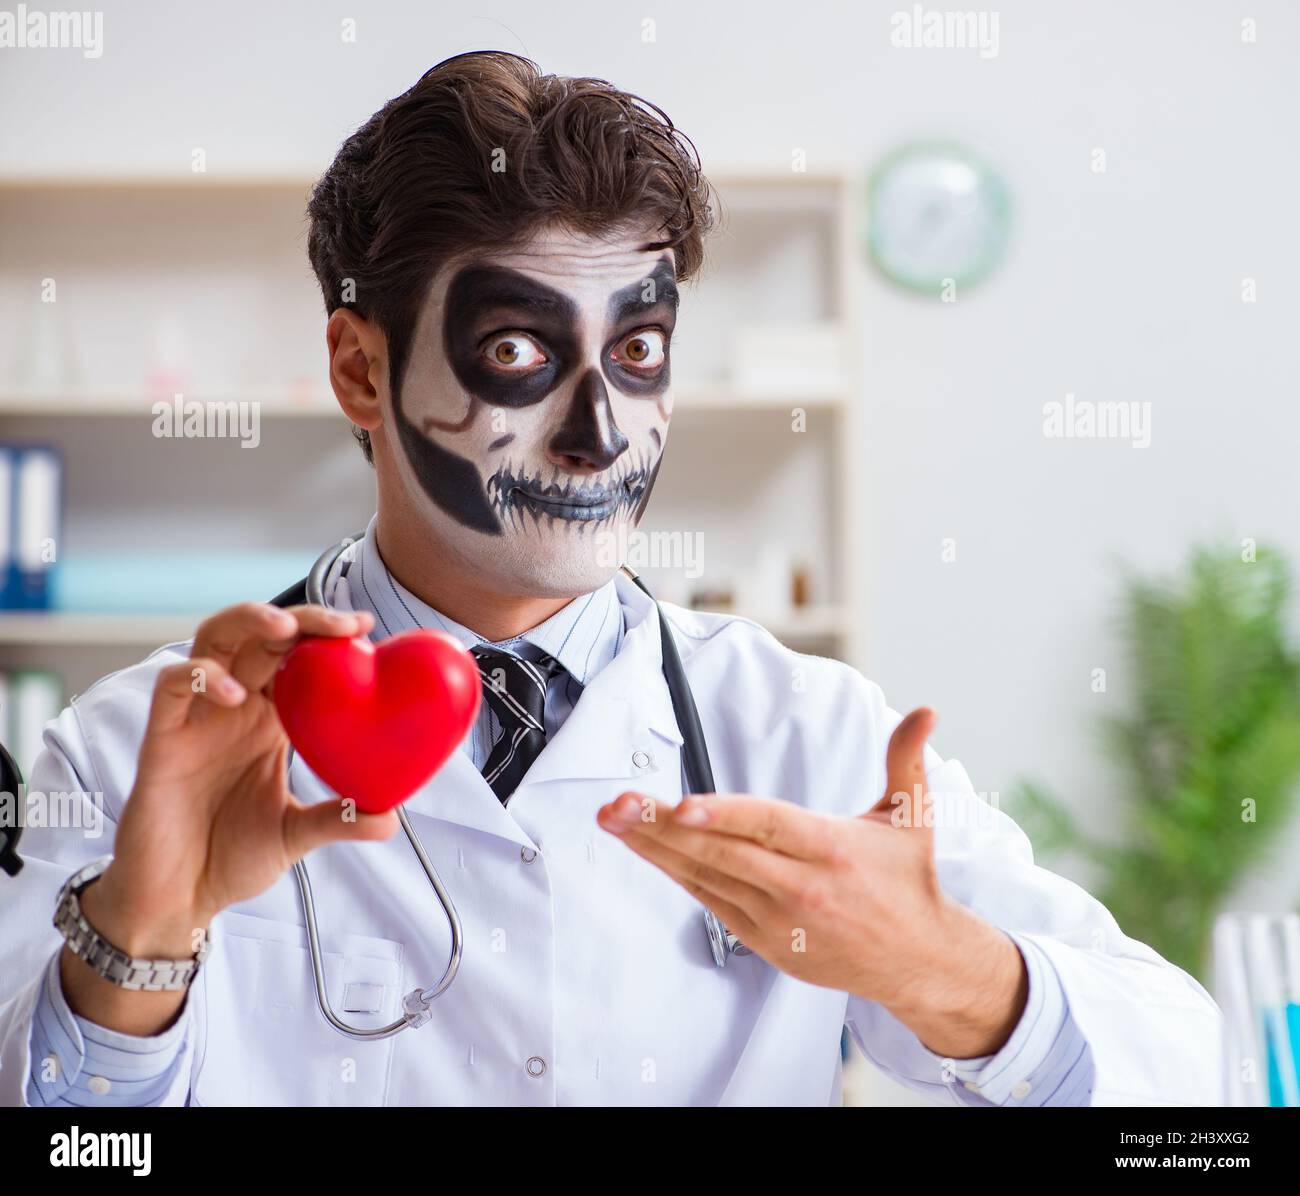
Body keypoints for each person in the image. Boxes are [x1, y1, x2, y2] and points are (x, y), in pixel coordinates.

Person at [0, 51, 1220, 1107]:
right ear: (360, 370)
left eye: (636, 351)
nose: (600, 436)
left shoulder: (811, 737)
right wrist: (135, 944)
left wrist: (939, 966)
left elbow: (1187, 1098)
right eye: (518, 351)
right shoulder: (137, 755)